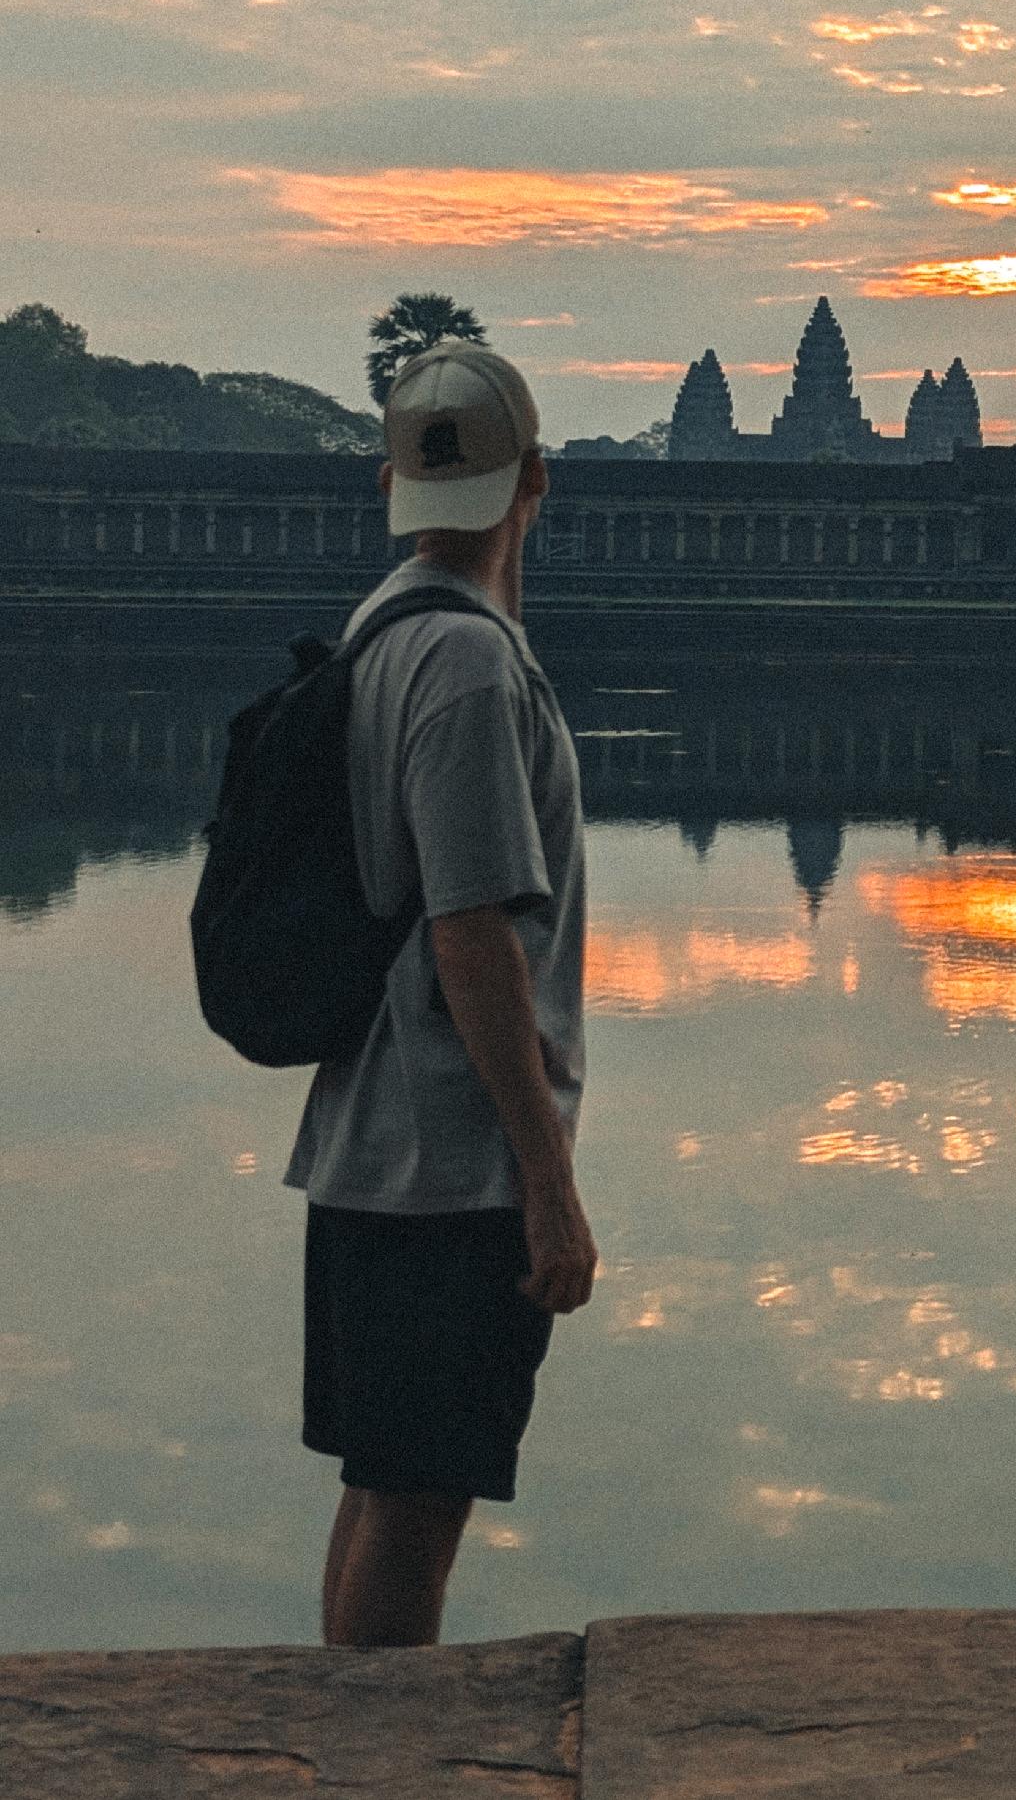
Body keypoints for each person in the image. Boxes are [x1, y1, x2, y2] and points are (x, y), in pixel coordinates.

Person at [285, 340, 598, 1648]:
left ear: (393, 486)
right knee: (418, 1504)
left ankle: (346, 1748)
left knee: (384, 1487)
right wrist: (546, 1181)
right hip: (450, 1162)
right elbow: (474, 938)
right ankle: (385, 1766)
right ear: (536, 479)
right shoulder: (467, 666)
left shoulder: (383, 626)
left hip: (374, 1139)